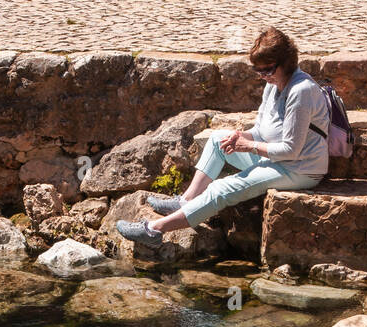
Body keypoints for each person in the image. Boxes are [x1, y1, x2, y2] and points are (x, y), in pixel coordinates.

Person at [115, 27, 329, 250]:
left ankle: (154, 230)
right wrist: (240, 137)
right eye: (258, 71)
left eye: (268, 70)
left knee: (222, 188)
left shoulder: (301, 91)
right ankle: (186, 201)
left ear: (286, 62)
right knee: (218, 139)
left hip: (300, 168)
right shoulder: (272, 85)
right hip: (277, 159)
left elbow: (291, 149)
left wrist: (248, 146)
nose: (263, 76)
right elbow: (261, 131)